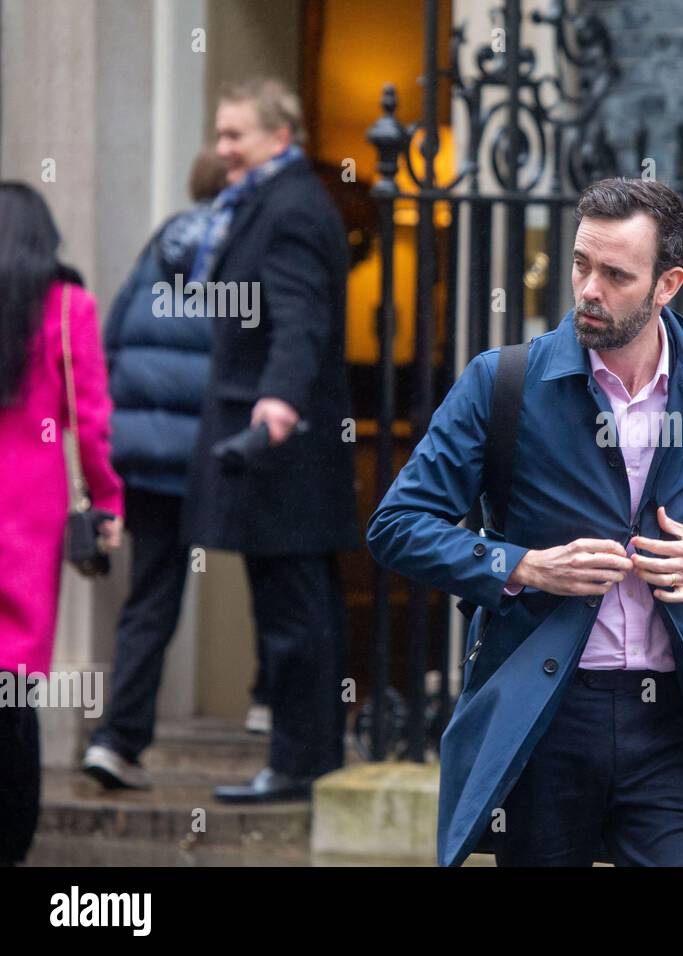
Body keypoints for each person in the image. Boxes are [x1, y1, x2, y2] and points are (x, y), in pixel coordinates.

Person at [367, 177, 683, 866]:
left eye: (616, 274)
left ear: (666, 284)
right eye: (582, 263)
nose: (589, 288)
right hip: (545, 718)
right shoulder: (503, 383)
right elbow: (398, 524)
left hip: (679, 723)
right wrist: (522, 566)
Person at [180, 78, 357, 803]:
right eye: (220, 135)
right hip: (275, 446)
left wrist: (278, 402)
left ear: (280, 137)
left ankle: (298, 764)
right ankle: (303, 758)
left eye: (236, 136)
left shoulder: (288, 210)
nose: (222, 150)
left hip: (282, 450)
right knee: (293, 607)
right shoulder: (262, 202)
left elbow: (300, 318)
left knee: (293, 616)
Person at [82, 147, 269, 792]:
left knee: (151, 597)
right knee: (271, 567)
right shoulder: (244, 248)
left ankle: (116, 739)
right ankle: (268, 704)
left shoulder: (161, 244)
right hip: (217, 450)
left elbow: (110, 343)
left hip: (145, 455)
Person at [0, 182, 125, 864]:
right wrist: (106, 500)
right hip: (28, 515)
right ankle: (13, 841)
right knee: (13, 680)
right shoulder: (67, 306)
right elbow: (93, 423)